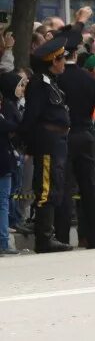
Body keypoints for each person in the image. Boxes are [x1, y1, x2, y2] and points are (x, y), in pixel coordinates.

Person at [21, 35, 74, 252]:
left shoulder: (50, 82)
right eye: (62, 59)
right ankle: (44, 238)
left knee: (55, 187)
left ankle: (48, 234)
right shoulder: (38, 84)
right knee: (45, 189)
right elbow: (32, 117)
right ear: (53, 60)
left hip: (58, 141)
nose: (64, 62)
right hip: (46, 142)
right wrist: (27, 143)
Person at [58, 45, 95, 248]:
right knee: (90, 187)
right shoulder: (89, 78)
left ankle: (61, 236)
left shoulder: (58, 78)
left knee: (65, 187)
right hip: (86, 134)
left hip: (66, 135)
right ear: (76, 55)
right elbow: (91, 105)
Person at [0, 71, 21, 254]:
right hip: (4, 160)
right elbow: (11, 127)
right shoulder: (6, 108)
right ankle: (3, 241)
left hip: (8, 159)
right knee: (3, 201)